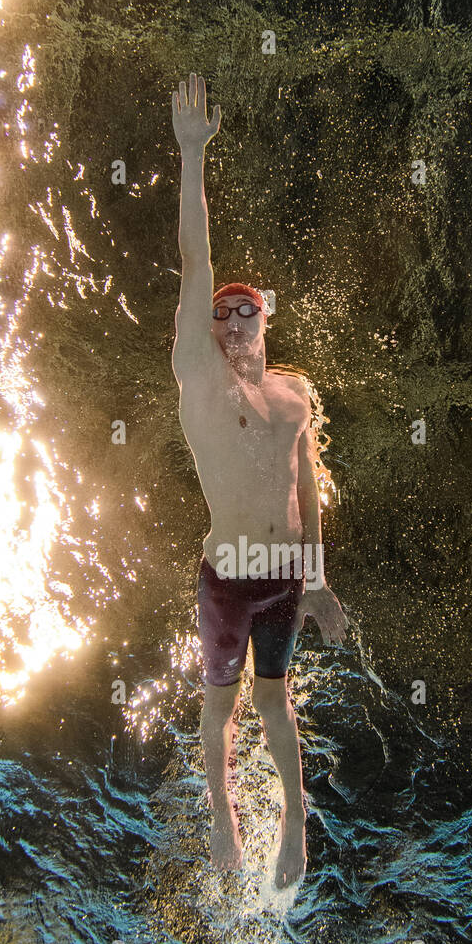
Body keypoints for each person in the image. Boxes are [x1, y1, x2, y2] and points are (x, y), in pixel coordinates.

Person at [170, 71, 347, 889]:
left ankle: (296, 820)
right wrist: (193, 154)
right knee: (219, 706)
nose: (235, 318)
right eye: (223, 311)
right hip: (225, 585)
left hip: (280, 585)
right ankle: (220, 814)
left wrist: (317, 585)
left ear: (266, 324)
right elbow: (195, 258)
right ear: (206, 329)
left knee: (275, 704)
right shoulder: (201, 383)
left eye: (250, 310)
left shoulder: (292, 398)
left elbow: (307, 492)